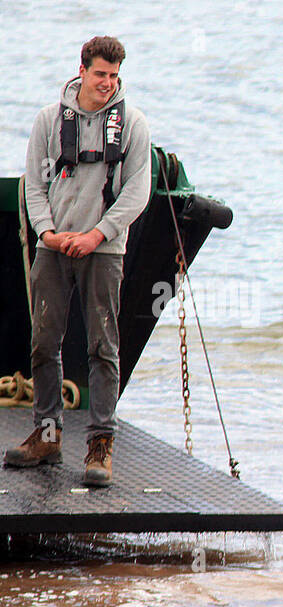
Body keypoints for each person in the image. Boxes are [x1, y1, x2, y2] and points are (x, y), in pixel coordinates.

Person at [6, 36, 151, 487]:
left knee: (102, 347)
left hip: (102, 250)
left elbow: (136, 192)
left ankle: (100, 446)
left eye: (114, 75)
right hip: (53, 247)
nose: (107, 83)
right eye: (100, 73)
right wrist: (48, 232)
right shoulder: (50, 120)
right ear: (82, 70)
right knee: (44, 344)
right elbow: (34, 185)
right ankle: (47, 436)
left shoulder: (132, 123)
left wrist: (95, 235)